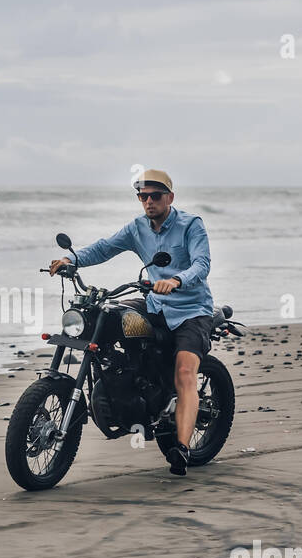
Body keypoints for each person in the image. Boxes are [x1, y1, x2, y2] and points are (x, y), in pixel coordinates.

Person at [48, 169, 213, 475]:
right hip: (155, 303)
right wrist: (72, 260)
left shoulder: (191, 225)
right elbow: (104, 248)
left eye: (156, 195)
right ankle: (124, 386)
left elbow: (202, 264)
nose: (149, 201)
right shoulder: (138, 227)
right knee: (108, 316)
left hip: (192, 310)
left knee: (186, 371)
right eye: (143, 196)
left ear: (170, 197)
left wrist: (177, 279)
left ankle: (181, 446)